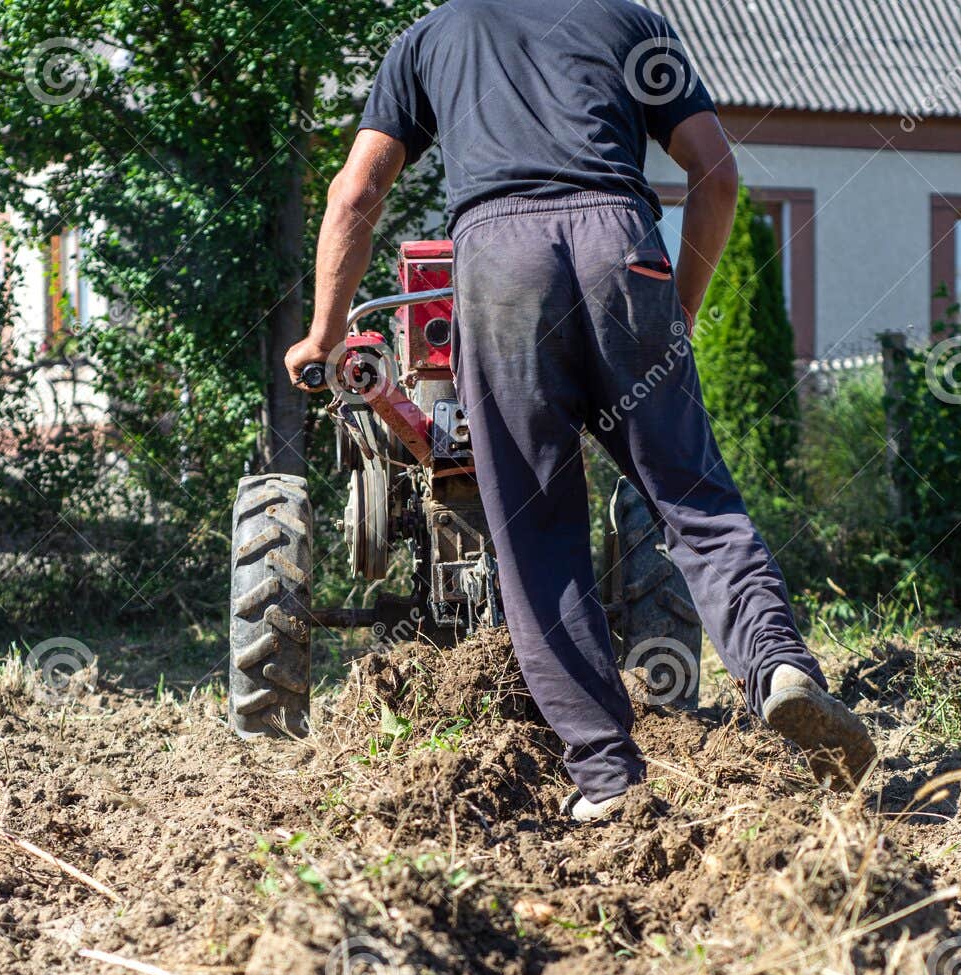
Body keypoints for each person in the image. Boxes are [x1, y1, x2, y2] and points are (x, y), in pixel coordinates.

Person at [285, 0, 875, 820]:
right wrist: (680, 316)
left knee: (536, 530)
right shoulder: (628, 23)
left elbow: (358, 192)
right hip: (620, 251)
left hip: (501, 265)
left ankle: (607, 776)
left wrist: (320, 333)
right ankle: (778, 666)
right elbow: (716, 172)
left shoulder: (431, 37)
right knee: (692, 496)